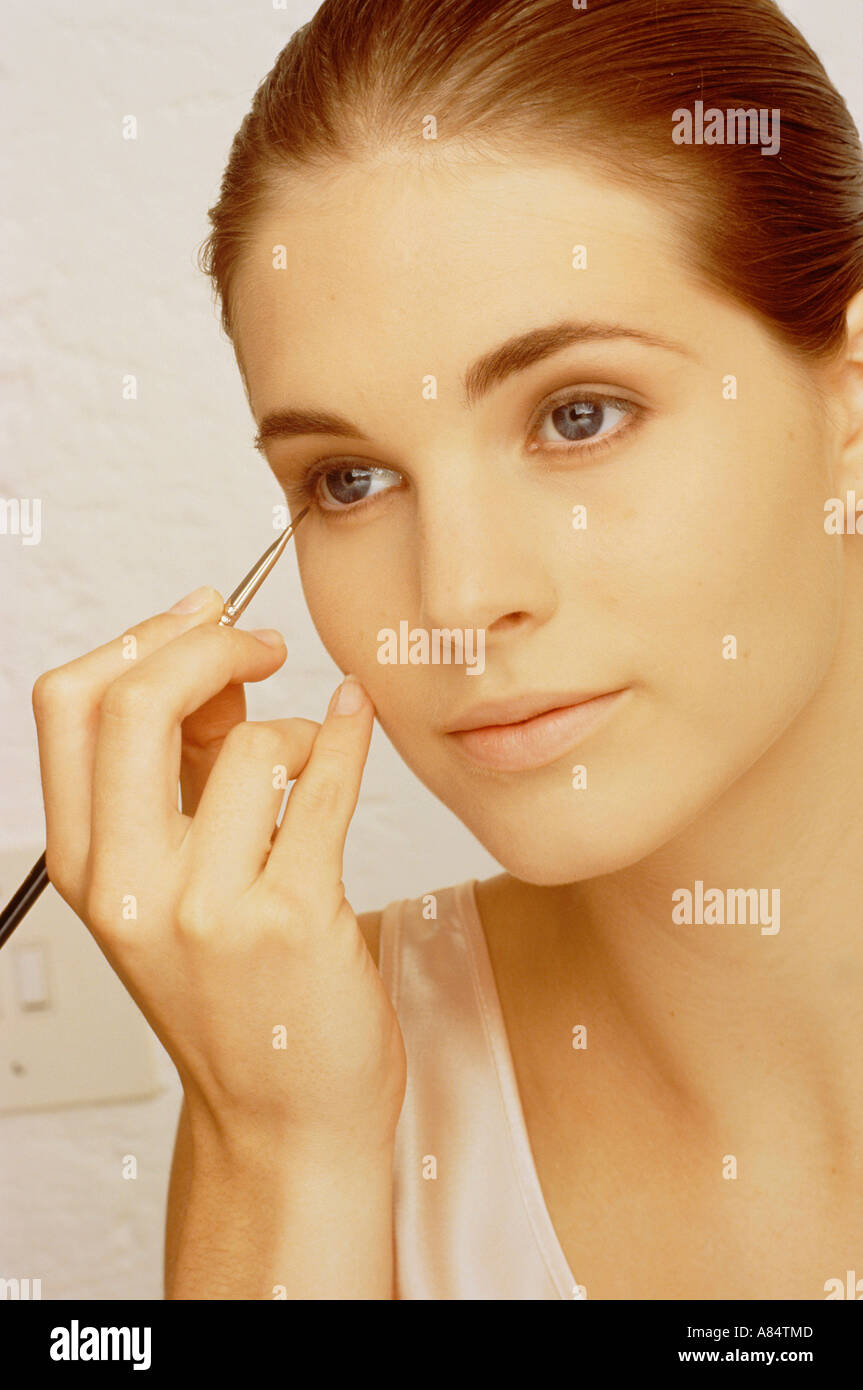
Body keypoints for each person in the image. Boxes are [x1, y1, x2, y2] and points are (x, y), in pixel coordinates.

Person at [32, 0, 863, 1299]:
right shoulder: (308, 1057)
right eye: (350, 479)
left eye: (578, 414)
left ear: (852, 404)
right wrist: (280, 1149)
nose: (457, 600)